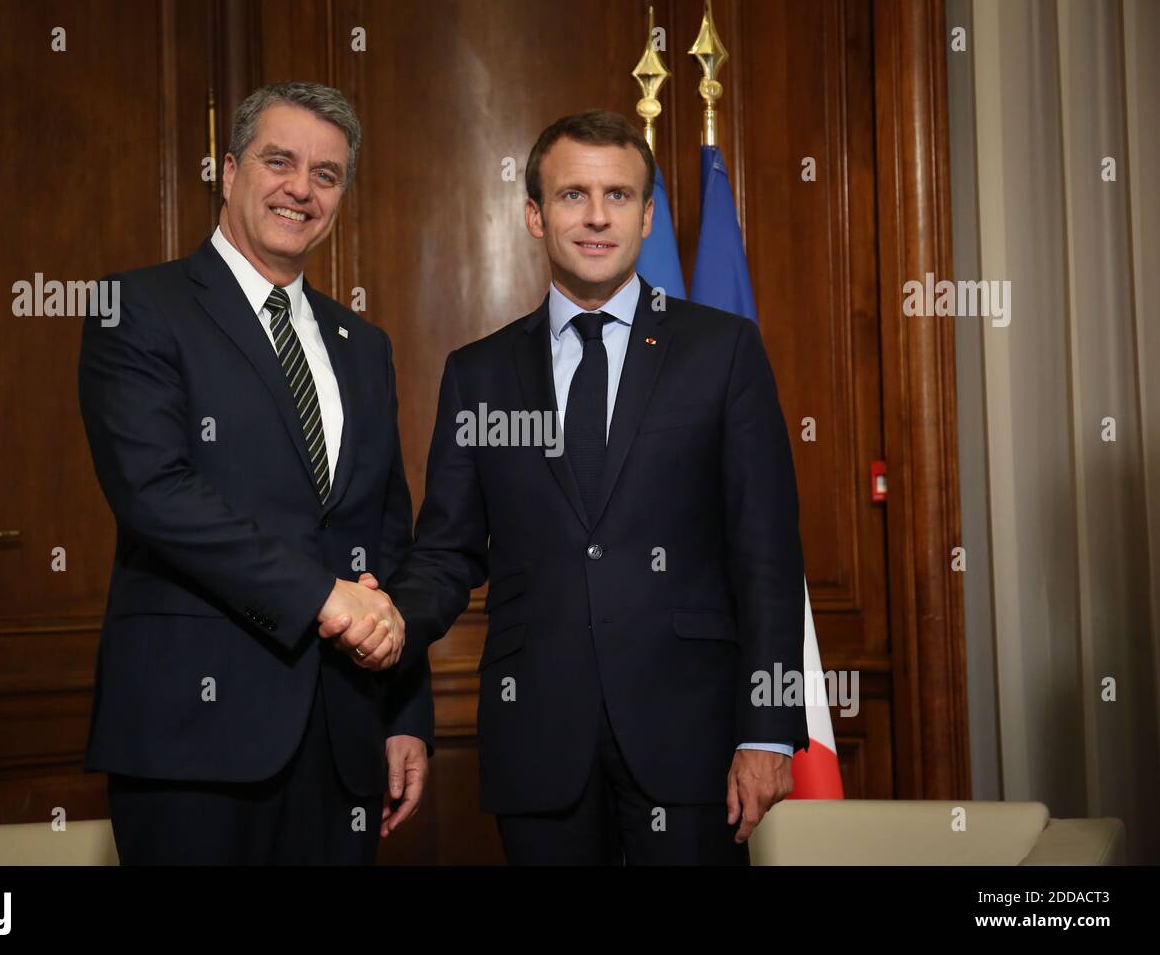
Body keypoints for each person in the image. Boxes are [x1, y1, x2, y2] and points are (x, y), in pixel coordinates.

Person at [341, 110, 808, 864]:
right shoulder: (479, 373)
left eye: (619, 196)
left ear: (647, 215)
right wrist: (387, 614)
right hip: (538, 744)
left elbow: (768, 556)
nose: (597, 216)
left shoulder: (722, 353)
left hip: (693, 743)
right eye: (572, 196)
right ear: (534, 214)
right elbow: (449, 549)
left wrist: (767, 726)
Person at [79, 81, 429, 865]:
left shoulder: (362, 346)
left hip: (344, 736)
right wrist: (322, 597)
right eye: (280, 161)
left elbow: (386, 538)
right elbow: (155, 494)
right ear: (230, 170)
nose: (301, 188)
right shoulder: (136, 306)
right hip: (192, 736)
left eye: (327, 174)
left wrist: (407, 713)